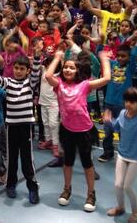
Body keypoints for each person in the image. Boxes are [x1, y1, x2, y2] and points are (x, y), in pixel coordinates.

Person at [45, 50, 111, 213]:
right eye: (66, 67)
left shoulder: (84, 85)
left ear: (78, 71)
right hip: (67, 129)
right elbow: (48, 75)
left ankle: (91, 194)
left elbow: (106, 79)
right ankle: (67, 189)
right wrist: (57, 58)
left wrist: (104, 60)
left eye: (72, 68)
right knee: (68, 162)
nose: (68, 70)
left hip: (84, 131)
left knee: (87, 163)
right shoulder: (59, 85)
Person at [0, 55, 42, 202]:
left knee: (27, 160)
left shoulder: (29, 83)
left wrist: (37, 56)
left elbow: (36, 73)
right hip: (11, 127)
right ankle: (10, 185)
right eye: (16, 68)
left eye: (22, 69)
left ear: (27, 71)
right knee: (12, 159)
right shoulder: (8, 82)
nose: (18, 71)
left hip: (25, 128)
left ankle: (33, 188)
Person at [104, 88, 137, 222]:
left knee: (127, 186)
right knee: (118, 185)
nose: (128, 104)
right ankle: (120, 207)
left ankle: (136, 212)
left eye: (132, 102)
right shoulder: (123, 113)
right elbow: (117, 127)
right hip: (123, 153)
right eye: (127, 101)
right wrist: (109, 121)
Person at [99, 39, 137, 162]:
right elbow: (101, 54)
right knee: (107, 130)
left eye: (124, 56)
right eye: (119, 56)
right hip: (109, 102)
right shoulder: (112, 64)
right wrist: (102, 49)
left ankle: (124, 153)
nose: (120, 58)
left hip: (123, 105)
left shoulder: (130, 68)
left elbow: (134, 54)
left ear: (129, 57)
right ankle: (108, 153)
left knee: (124, 130)